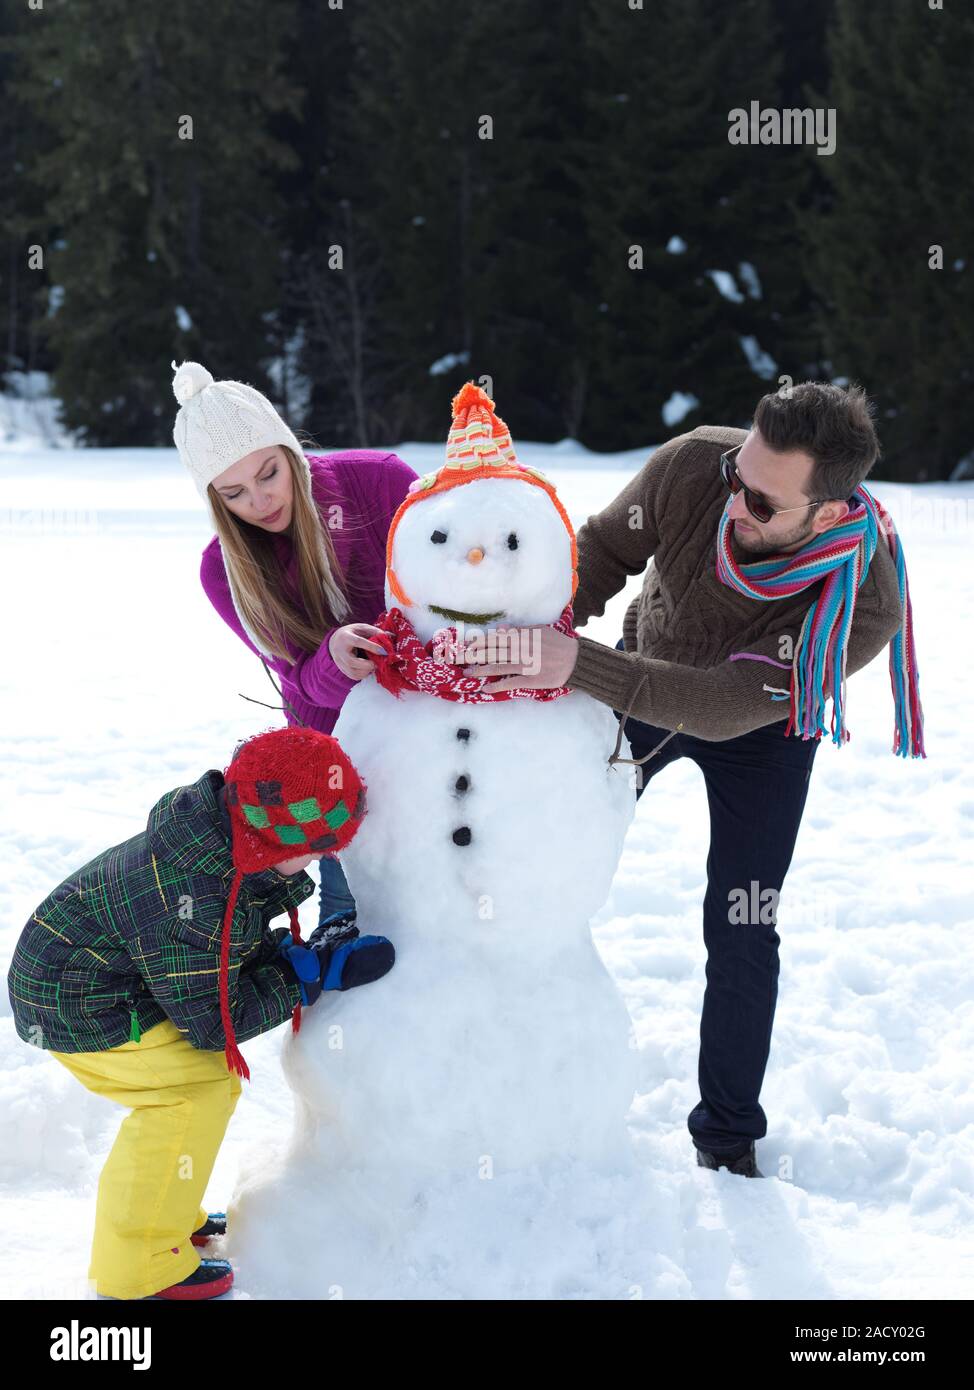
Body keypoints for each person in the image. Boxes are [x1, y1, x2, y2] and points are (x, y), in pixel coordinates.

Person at [459, 382, 924, 1178]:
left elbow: (720, 707)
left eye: (762, 500)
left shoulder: (866, 598)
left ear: (828, 512)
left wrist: (576, 664)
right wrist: (533, 632)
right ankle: (496, 1086)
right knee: (536, 868)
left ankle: (727, 1137)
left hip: (764, 731)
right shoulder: (690, 469)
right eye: (737, 472)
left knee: (743, 926)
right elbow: (600, 551)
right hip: (643, 670)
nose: (734, 500)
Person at [6, 726, 395, 1300]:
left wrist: (285, 959)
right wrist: (303, 978)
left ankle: (166, 1211)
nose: (326, 857)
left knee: (208, 1087)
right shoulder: (195, 898)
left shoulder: (219, 840)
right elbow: (214, 1022)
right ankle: (138, 1267)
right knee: (189, 1096)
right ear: (275, 844)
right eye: (316, 849)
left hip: (118, 980)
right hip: (76, 1004)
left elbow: (218, 952)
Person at [170, 359, 418, 928]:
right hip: (340, 756)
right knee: (354, 919)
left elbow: (453, 585)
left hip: (437, 721)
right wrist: (332, 660)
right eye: (233, 492)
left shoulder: (379, 480)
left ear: (288, 451)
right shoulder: (223, 571)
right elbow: (301, 687)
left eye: (268, 473)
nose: (258, 500)